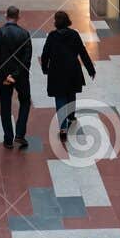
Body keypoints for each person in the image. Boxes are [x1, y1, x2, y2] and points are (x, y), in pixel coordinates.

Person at [40, 10, 96, 141]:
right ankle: (71, 116)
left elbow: (45, 54)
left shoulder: (52, 36)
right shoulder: (74, 34)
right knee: (71, 93)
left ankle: (63, 127)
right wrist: (90, 69)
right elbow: (83, 52)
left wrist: (45, 68)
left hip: (56, 71)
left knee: (60, 97)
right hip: (72, 70)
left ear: (56, 22)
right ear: (67, 21)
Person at [0, 5, 33, 149]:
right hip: (21, 76)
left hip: (4, 76)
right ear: (18, 17)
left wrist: (3, 74)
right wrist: (16, 74)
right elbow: (27, 58)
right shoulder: (24, 34)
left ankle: (8, 139)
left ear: (5, 16)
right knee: (25, 101)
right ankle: (20, 134)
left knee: (5, 105)